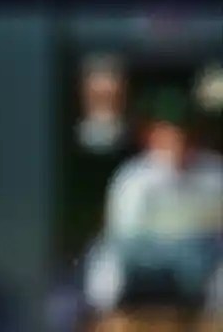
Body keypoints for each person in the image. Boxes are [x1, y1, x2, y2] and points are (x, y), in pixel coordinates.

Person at [84, 92, 223, 323]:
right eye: (170, 133)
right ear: (153, 135)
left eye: (184, 134)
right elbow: (124, 237)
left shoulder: (215, 173)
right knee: (105, 263)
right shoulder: (133, 177)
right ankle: (113, 322)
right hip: (147, 261)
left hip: (202, 261)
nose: (178, 142)